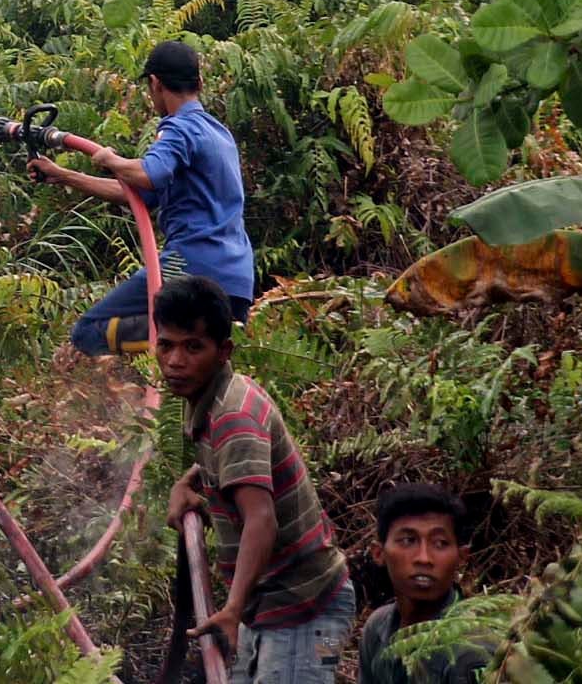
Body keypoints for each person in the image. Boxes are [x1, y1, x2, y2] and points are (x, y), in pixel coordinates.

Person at [153, 276, 354, 681]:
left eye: (193, 347)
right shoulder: (218, 399)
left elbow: (261, 520)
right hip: (270, 607)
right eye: (166, 345)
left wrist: (230, 608)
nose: (175, 361)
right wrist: (186, 483)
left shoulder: (233, 417)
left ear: (223, 350)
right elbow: (231, 463)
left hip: (305, 607)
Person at [29, 40, 258, 356]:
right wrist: (65, 175)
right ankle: (198, 346)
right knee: (204, 369)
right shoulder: (218, 133)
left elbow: (150, 173)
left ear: (155, 84)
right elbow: (139, 196)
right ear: (200, 83)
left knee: (89, 333)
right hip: (237, 279)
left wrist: (109, 159)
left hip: (188, 267)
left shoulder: (180, 128)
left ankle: (151, 368)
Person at [359, 484, 491, 684]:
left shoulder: (472, 649)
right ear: (379, 553)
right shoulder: (377, 628)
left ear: (462, 557)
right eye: (407, 540)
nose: (424, 558)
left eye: (440, 543)